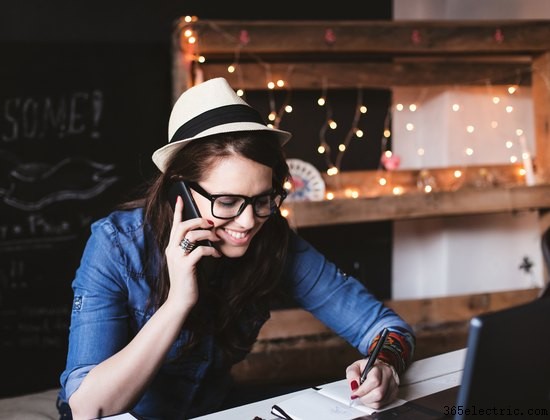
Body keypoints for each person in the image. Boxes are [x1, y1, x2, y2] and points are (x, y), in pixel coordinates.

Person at [57, 77, 415, 420]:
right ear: (180, 191)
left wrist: (385, 365)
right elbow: (88, 409)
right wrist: (178, 302)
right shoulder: (116, 246)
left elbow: (385, 328)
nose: (247, 222)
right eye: (227, 201)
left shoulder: (273, 239)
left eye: (263, 199)